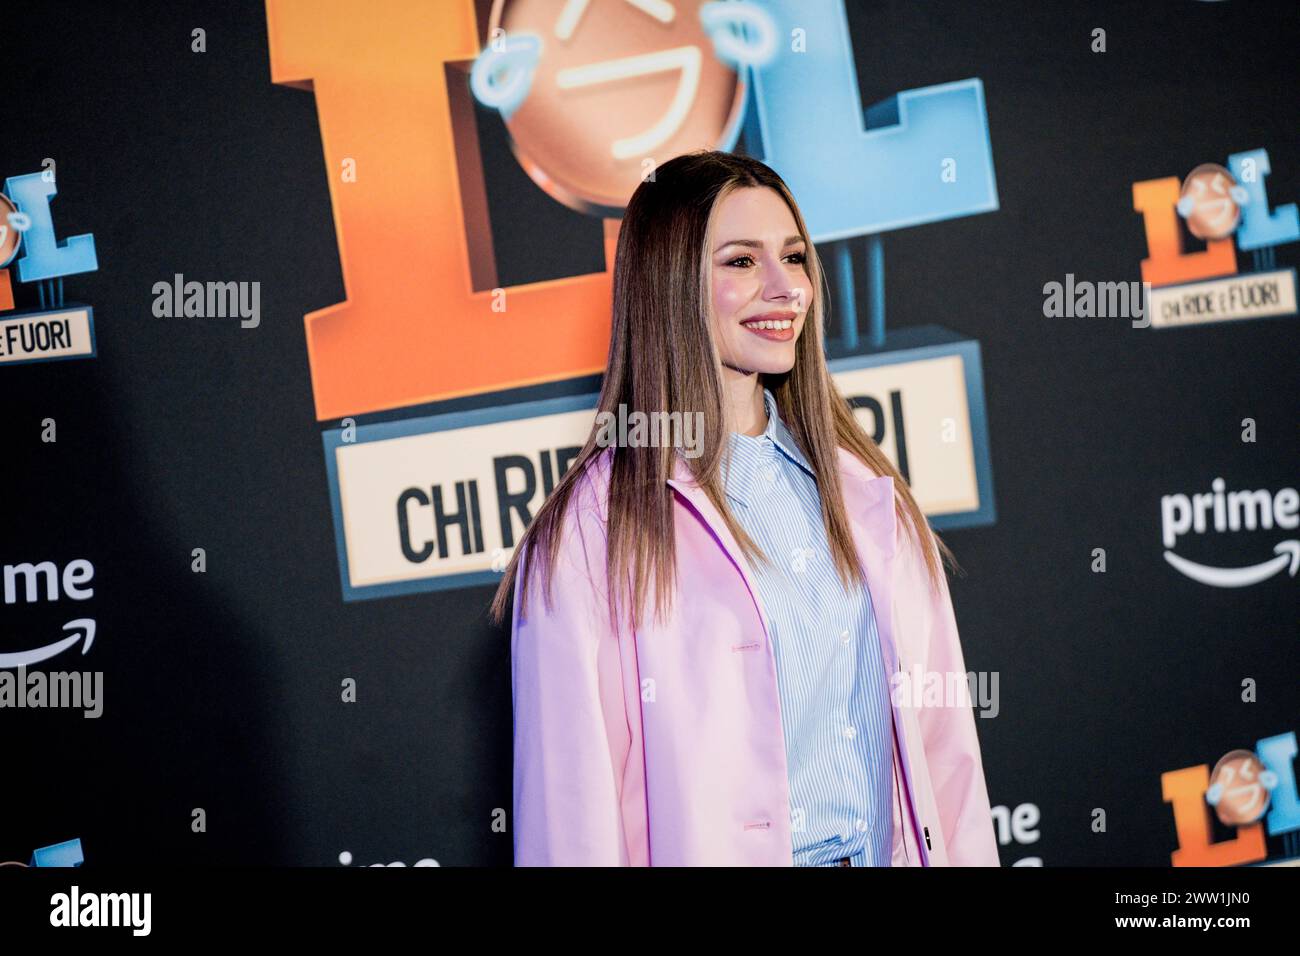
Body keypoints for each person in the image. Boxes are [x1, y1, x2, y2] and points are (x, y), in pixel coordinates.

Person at [488, 150, 999, 867]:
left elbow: (949, 765)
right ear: (669, 285)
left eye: (793, 257)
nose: (784, 287)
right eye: (740, 262)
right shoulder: (589, 534)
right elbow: (568, 822)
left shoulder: (866, 493)